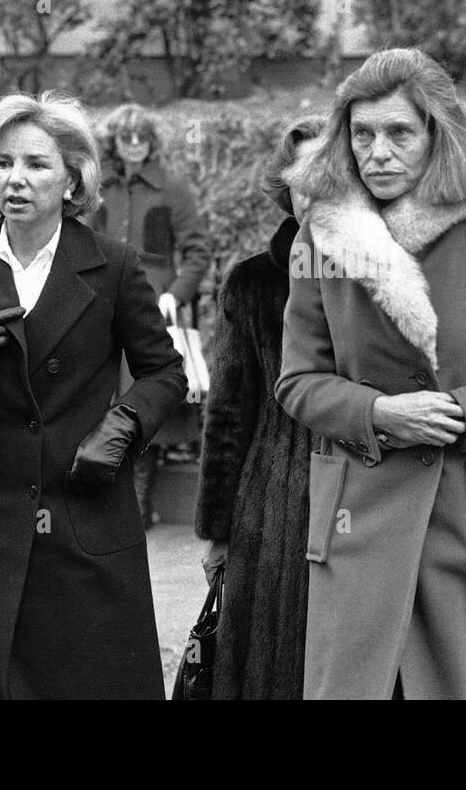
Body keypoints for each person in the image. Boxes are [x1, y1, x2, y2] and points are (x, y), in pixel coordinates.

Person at [275, 49, 466, 700]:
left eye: (399, 133)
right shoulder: (319, 235)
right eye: (362, 134)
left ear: (437, 135)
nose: (377, 152)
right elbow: (298, 380)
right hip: (359, 530)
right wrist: (378, 414)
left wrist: (461, 411)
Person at [0, 92, 187, 699]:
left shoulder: (114, 265)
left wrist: (123, 423)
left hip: (81, 521)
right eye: (2, 163)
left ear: (73, 180)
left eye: (36, 164)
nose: (14, 180)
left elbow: (165, 373)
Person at [195, 117, 323, 700]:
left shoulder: (391, 272)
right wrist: (217, 532)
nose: (313, 187)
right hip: (272, 501)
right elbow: (227, 411)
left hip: (373, 494)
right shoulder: (251, 283)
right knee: (271, 670)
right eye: (300, 175)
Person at [90, 104, 209, 530]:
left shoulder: (173, 188)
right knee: (105, 395)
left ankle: (138, 504)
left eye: (143, 138)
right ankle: (116, 498)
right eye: (127, 139)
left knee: (147, 391)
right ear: (115, 143)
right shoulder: (98, 187)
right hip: (104, 299)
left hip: (154, 300)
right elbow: (82, 242)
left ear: (151, 142)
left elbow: (197, 252)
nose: (136, 146)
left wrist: (175, 295)